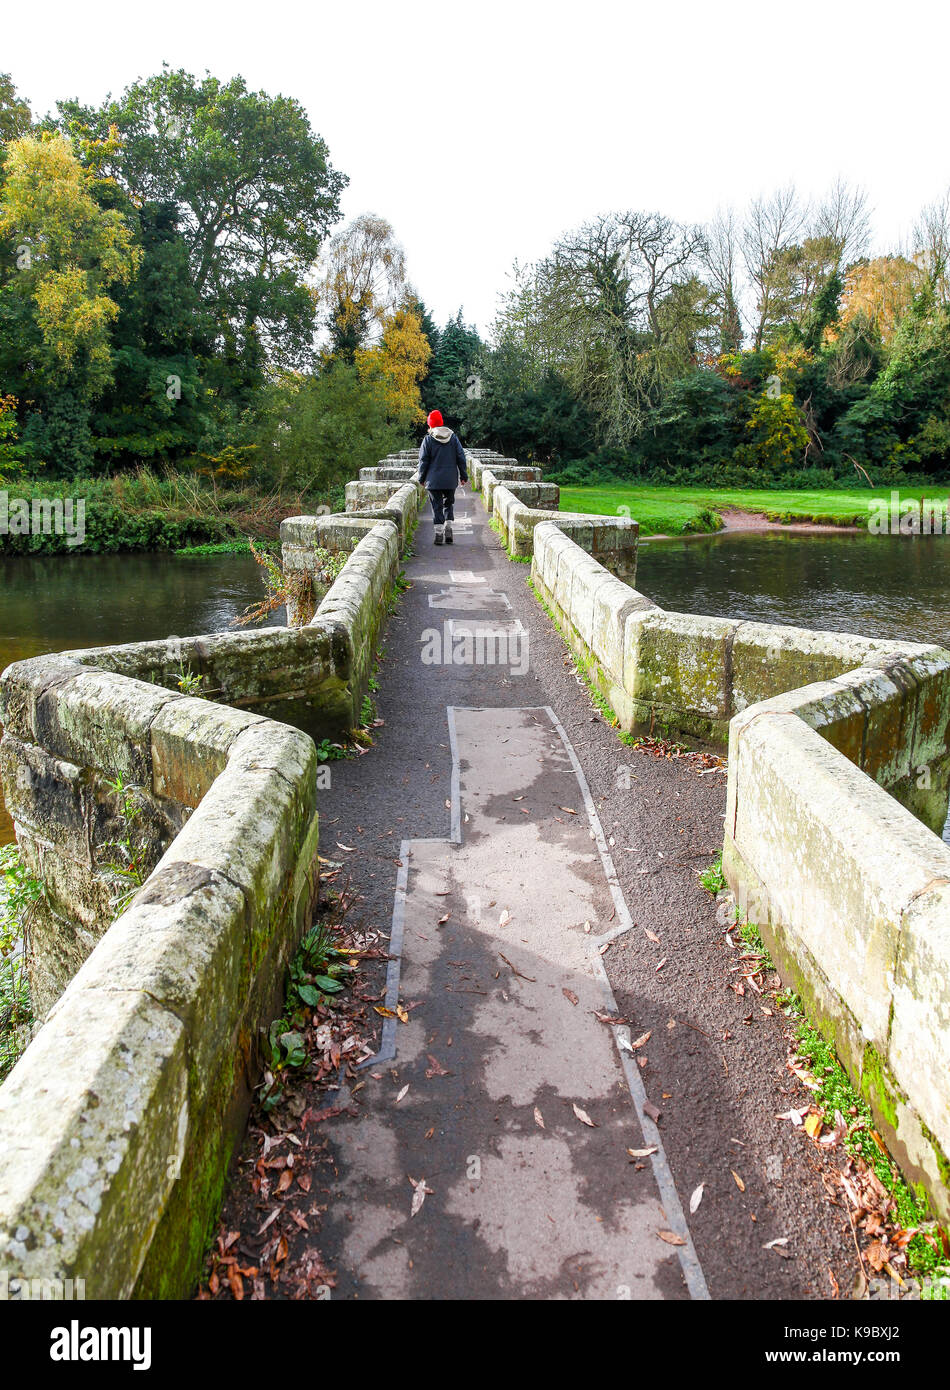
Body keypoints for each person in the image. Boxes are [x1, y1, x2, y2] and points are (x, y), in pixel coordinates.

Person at [416, 410, 468, 545]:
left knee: (436, 506)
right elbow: (461, 457)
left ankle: (439, 533)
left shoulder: (428, 439)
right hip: (450, 479)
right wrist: (463, 475)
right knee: (448, 503)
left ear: (430, 424)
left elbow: (423, 461)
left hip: (433, 480)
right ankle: (448, 528)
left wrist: (421, 478)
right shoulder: (453, 438)